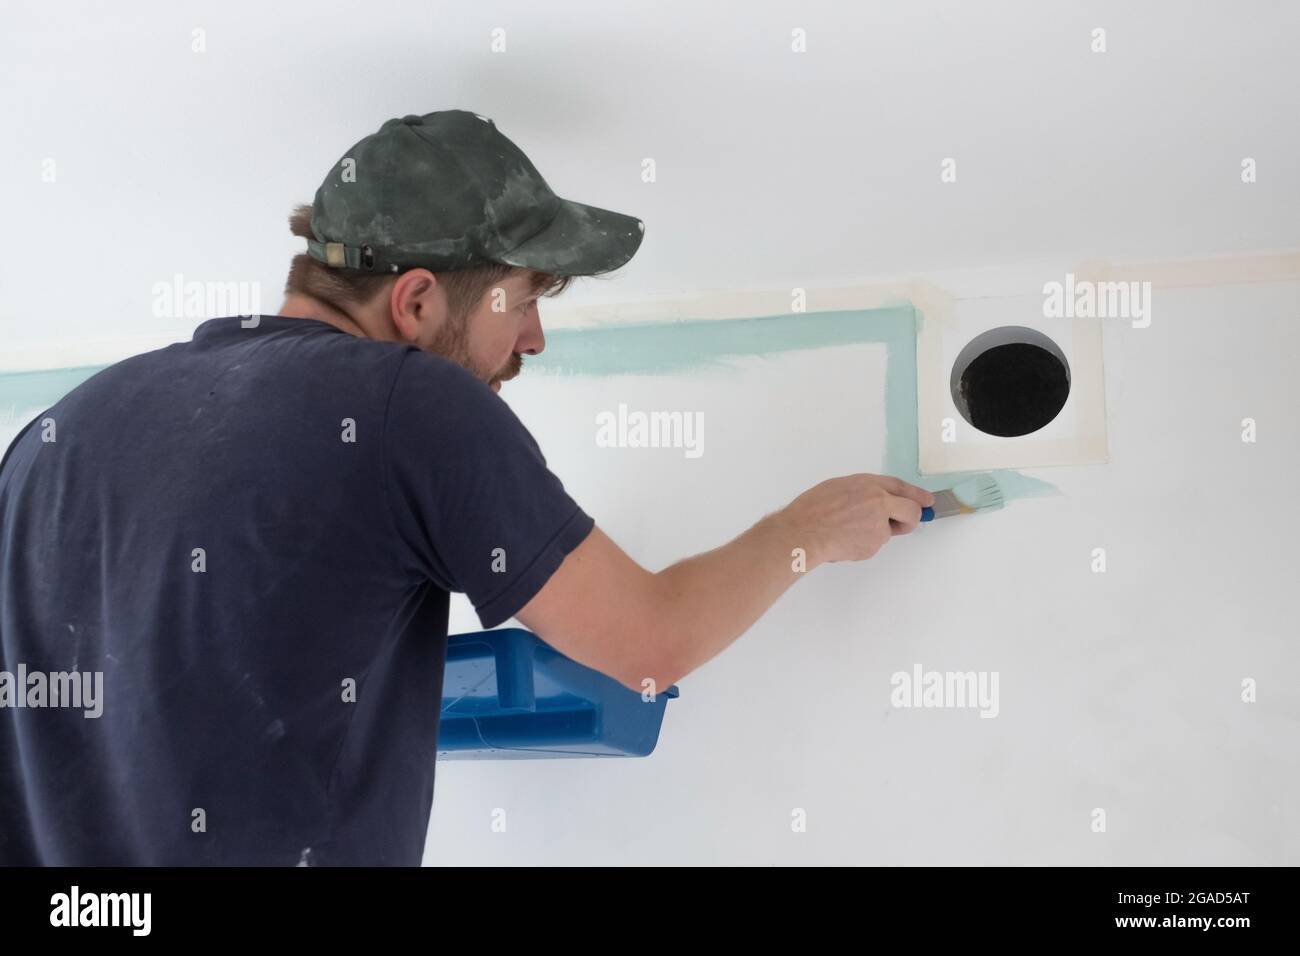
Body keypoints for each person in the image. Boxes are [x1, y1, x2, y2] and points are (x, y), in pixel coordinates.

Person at [0, 110, 933, 866]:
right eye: (521, 303)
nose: (533, 341)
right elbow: (652, 645)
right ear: (415, 302)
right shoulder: (407, 404)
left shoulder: (56, 434)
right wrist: (807, 528)